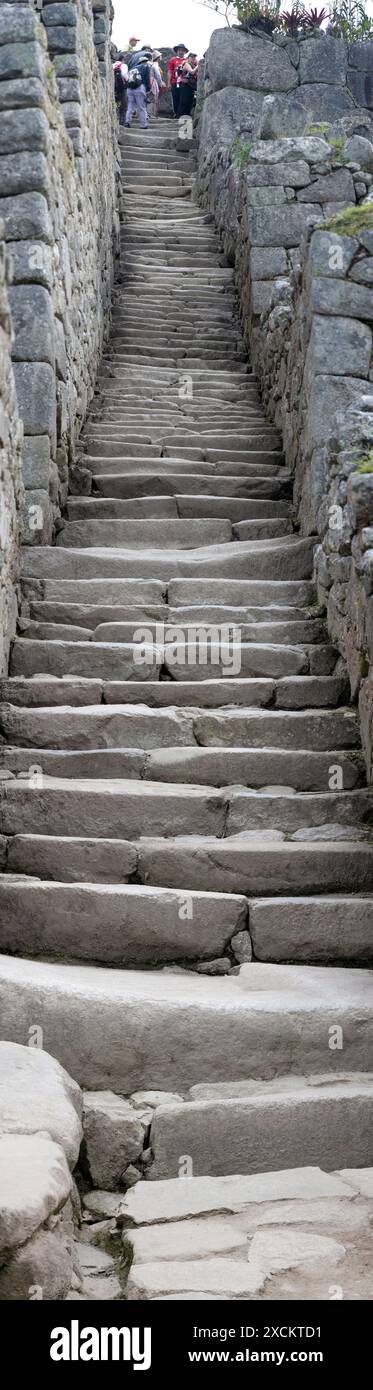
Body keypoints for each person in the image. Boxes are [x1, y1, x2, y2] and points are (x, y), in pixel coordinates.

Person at [124, 52, 152, 129]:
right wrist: (148, 89)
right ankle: (143, 125)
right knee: (141, 107)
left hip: (129, 89)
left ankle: (127, 122)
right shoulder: (146, 67)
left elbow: (128, 79)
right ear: (145, 61)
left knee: (130, 106)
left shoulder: (133, 68)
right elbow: (147, 79)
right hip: (139, 88)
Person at [167, 44, 188, 119]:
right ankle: (176, 113)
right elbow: (169, 71)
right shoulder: (173, 60)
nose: (181, 52)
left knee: (183, 99)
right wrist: (168, 83)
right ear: (177, 51)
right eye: (179, 50)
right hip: (174, 82)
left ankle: (180, 115)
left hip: (184, 84)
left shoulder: (187, 60)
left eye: (182, 50)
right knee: (175, 98)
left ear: (185, 51)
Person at [177, 53, 199, 118]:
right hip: (185, 86)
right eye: (192, 57)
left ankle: (186, 117)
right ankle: (179, 117)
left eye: (194, 57)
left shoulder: (194, 65)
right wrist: (198, 65)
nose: (193, 58)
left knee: (190, 102)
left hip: (191, 86)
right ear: (188, 58)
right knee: (184, 102)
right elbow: (192, 72)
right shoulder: (186, 64)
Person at [113, 53, 128, 126]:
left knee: (115, 103)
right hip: (122, 87)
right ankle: (122, 121)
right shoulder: (123, 65)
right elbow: (124, 74)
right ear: (123, 60)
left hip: (114, 87)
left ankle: (115, 118)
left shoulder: (112, 65)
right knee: (123, 104)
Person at [150, 51, 164, 119]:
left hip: (152, 82)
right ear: (158, 57)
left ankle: (152, 114)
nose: (161, 57)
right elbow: (158, 75)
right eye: (160, 56)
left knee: (153, 98)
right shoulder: (155, 65)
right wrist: (161, 83)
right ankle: (152, 114)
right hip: (154, 82)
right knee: (154, 99)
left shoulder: (152, 64)